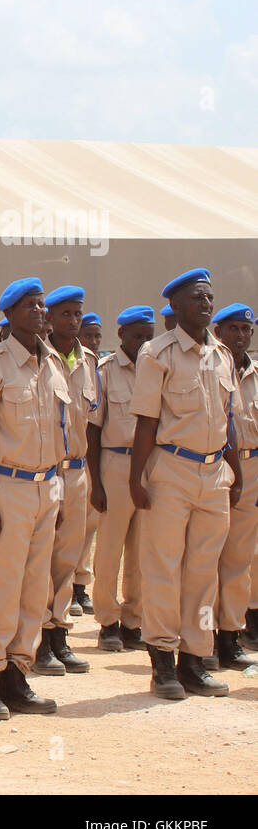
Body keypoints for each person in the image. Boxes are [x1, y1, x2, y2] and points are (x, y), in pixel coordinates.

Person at [0, 277, 69, 721]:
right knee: (2, 588)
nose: (41, 311)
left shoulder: (54, 363)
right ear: (10, 315)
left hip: (47, 487)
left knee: (34, 589)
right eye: (31, 306)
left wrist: (58, 491)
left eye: (43, 304)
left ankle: (17, 675)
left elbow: (61, 433)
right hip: (9, 487)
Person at [130, 269, 237, 699]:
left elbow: (227, 420)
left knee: (204, 571)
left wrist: (234, 472)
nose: (206, 302)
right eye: (197, 297)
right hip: (171, 470)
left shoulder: (222, 354)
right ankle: (163, 661)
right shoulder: (157, 353)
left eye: (210, 295)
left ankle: (196, 659)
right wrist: (137, 478)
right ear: (174, 305)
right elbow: (146, 421)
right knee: (163, 568)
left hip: (213, 474)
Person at [33, 286, 99, 676]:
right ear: (49, 318)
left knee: (68, 556)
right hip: (48, 470)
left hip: (77, 470)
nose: (73, 321)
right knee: (44, 555)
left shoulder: (87, 361)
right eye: (65, 314)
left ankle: (60, 634)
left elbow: (90, 422)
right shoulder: (41, 359)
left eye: (78, 314)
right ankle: (39, 637)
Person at [88, 305, 153, 653]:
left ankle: (133, 620)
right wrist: (96, 483)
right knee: (110, 549)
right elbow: (93, 432)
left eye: (148, 336)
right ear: (122, 335)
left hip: (149, 468)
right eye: (138, 335)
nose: (144, 342)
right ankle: (108, 622)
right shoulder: (106, 372)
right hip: (115, 464)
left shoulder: (157, 368)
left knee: (142, 550)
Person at [204, 303, 258, 672]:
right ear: (219, 332)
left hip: (251, 469)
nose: (242, 335)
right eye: (235, 329)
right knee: (204, 560)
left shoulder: (256, 375)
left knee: (239, 560)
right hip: (212, 466)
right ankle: (202, 636)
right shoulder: (209, 366)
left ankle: (230, 636)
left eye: (247, 329)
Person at [72, 312, 104, 616]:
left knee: (87, 526)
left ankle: (79, 586)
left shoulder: (92, 364)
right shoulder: (61, 360)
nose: (92, 342)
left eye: (97, 337)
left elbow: (94, 416)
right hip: (59, 461)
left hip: (84, 457)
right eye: (88, 336)